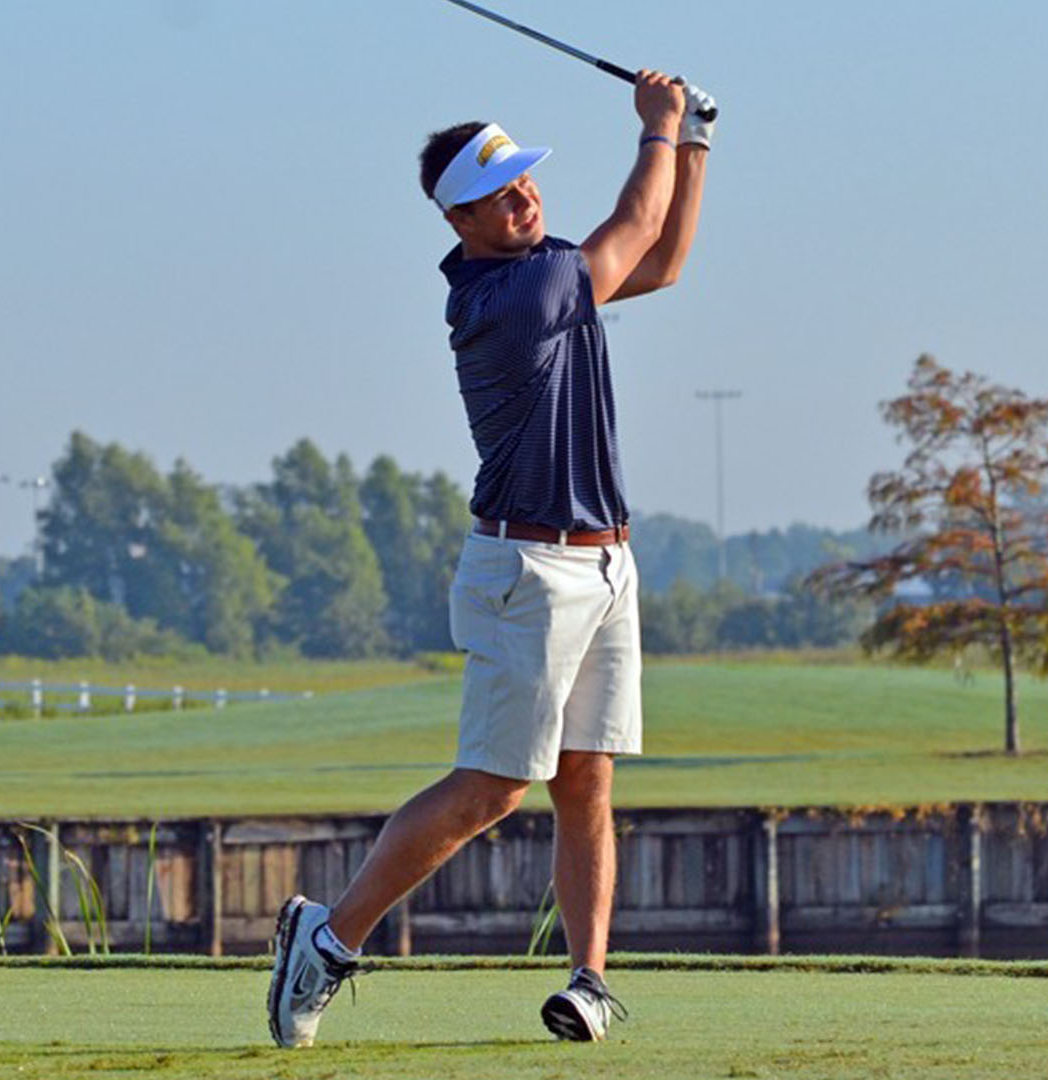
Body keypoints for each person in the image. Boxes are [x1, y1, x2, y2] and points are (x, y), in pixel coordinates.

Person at [266, 71, 715, 1049]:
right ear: (460, 217)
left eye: (527, 181)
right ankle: (327, 940)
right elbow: (633, 232)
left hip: (604, 565)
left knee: (587, 781)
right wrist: (658, 130)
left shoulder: (549, 269)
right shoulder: (514, 292)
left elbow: (665, 260)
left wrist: (696, 147)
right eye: (504, 192)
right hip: (527, 572)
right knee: (492, 787)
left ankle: (590, 981)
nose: (527, 197)